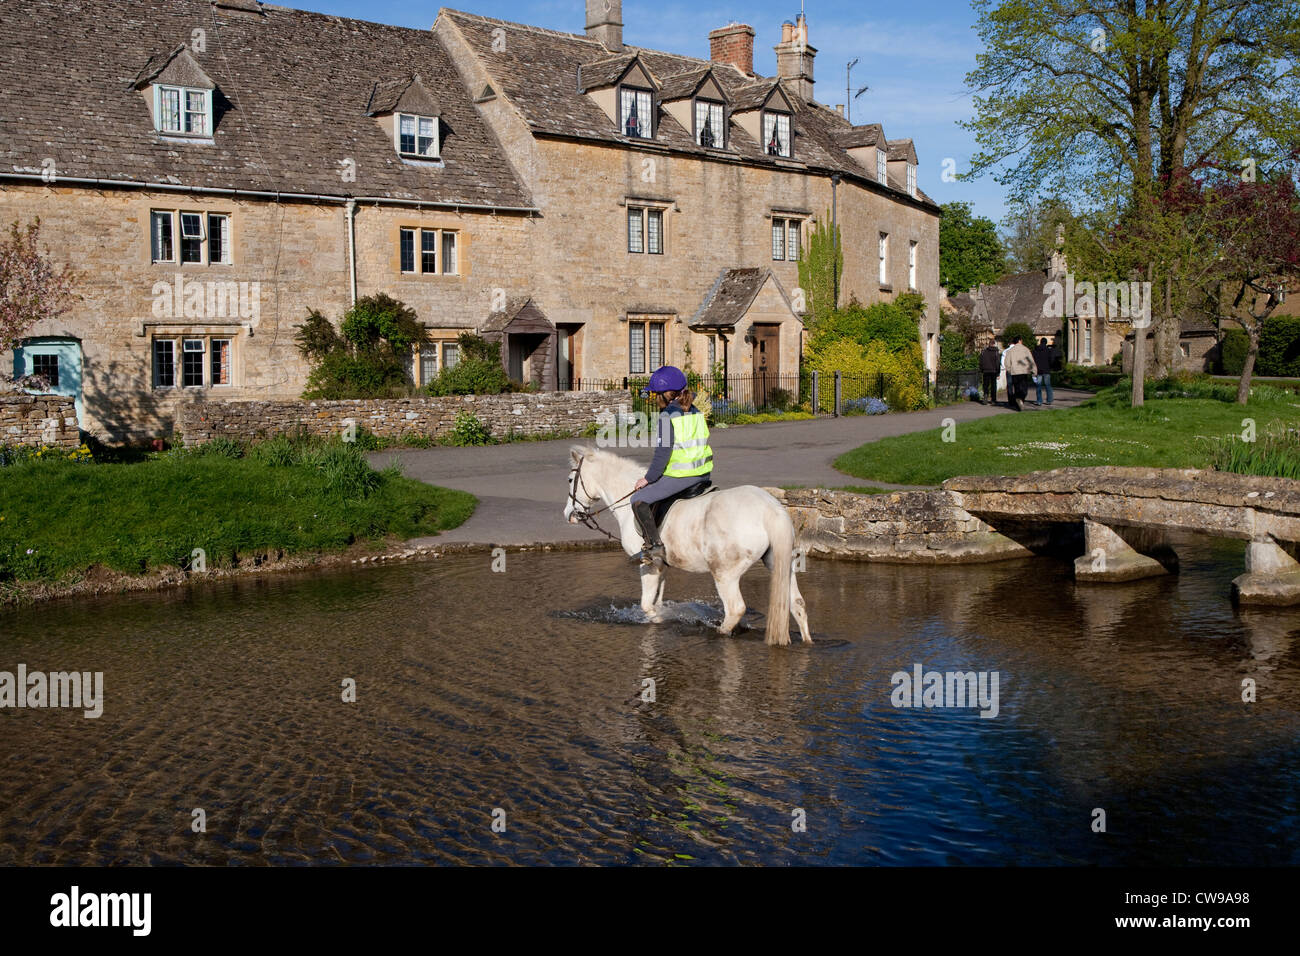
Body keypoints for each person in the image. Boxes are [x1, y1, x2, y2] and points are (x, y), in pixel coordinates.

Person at [630, 365, 714, 565]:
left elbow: (662, 454)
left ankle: (654, 548)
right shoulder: (695, 410)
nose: (655, 398)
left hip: (682, 475)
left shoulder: (668, 415)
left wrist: (648, 479)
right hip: (703, 472)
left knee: (639, 500)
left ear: (667, 394)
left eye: (657, 394)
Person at [1002, 335, 1035, 411]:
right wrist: (1034, 370)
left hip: (1015, 372)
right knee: (1024, 389)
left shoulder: (1010, 351)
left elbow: (1006, 362)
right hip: (1024, 371)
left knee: (1017, 388)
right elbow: (1031, 360)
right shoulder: (1026, 349)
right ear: (1020, 341)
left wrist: (1010, 370)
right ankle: (1020, 399)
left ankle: (1018, 402)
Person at [1033, 337, 1055, 406]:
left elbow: (1033, 360)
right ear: (1046, 343)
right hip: (1046, 369)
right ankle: (1049, 400)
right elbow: (1051, 360)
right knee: (1048, 385)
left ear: (1040, 342)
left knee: (1038, 385)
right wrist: (1050, 366)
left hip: (1038, 370)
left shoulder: (1036, 350)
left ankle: (1039, 400)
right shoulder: (1048, 350)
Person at [978, 340, 1000, 404]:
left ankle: (985, 397)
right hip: (994, 371)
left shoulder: (984, 352)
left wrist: (982, 370)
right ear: (994, 344)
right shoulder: (996, 352)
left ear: (989, 344)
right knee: (993, 385)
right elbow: (998, 363)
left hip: (986, 370)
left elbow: (981, 362)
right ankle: (993, 399)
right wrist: (998, 372)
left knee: (985, 385)